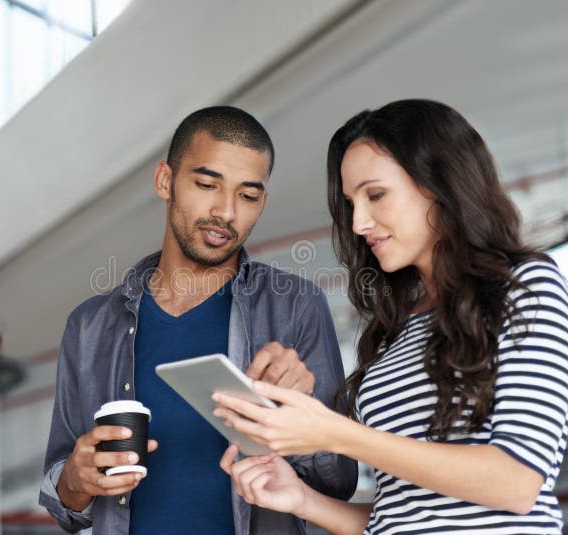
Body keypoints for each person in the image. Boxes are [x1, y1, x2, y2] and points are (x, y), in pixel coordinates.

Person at [214, 99, 568, 534]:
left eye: (376, 195)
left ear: (440, 184)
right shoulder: (394, 333)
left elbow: (516, 482)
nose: (359, 222)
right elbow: (404, 515)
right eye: (352, 203)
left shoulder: (525, 287)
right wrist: (302, 498)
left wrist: (334, 433)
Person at [39, 105, 357, 534]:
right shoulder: (90, 326)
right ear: (165, 181)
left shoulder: (296, 307)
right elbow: (64, 502)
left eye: (247, 195)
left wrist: (292, 416)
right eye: (207, 184)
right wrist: (75, 480)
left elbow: (338, 480)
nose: (226, 212)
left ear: (262, 202)